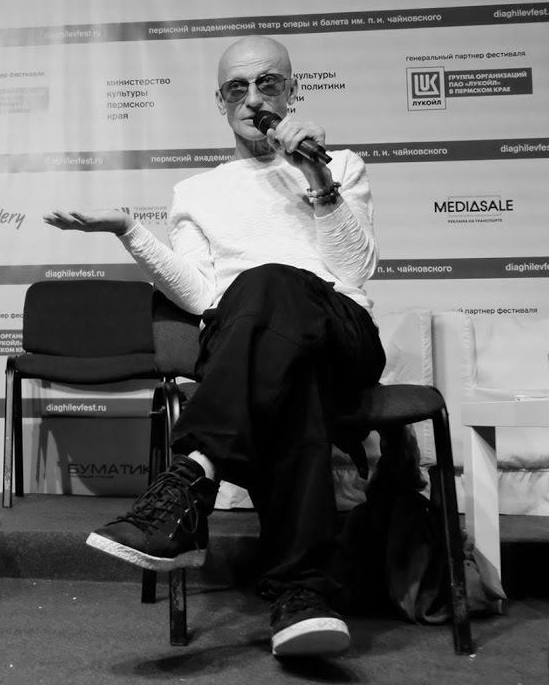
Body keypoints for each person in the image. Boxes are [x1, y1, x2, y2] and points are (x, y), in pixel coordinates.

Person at [45, 35, 384, 658]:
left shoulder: (338, 164)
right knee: (287, 372)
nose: (254, 99)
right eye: (237, 88)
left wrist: (316, 176)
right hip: (265, 353)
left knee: (273, 281)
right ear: (220, 101)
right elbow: (204, 296)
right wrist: (130, 230)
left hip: (342, 334)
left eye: (268, 83)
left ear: (292, 91)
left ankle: (193, 472)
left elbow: (355, 270)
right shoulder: (197, 191)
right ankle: (302, 594)